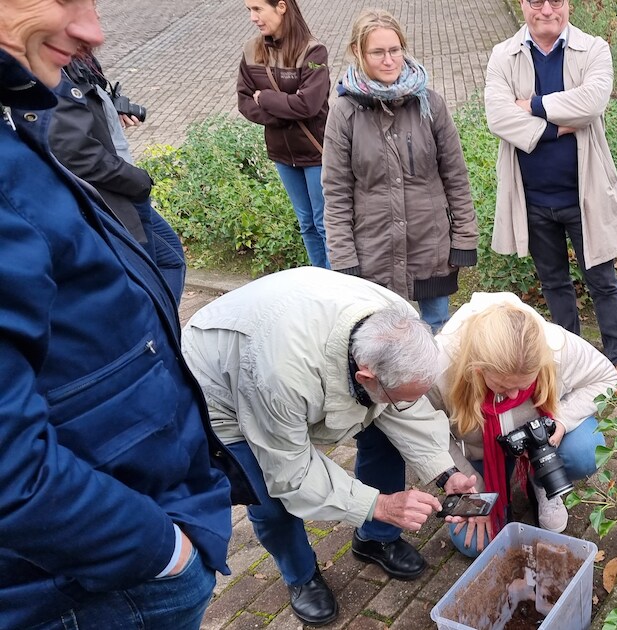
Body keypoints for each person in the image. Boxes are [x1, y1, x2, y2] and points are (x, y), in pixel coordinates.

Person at [0, 2, 252, 628]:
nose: (94, 31)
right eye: (61, 0)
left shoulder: (17, 120)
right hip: (96, 581)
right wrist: (164, 553)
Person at [180, 267, 478, 626]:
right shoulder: (280, 375)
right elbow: (291, 471)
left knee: (384, 437)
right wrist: (378, 503)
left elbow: (408, 403)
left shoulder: (400, 323)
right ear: (366, 377)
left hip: (302, 341)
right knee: (268, 496)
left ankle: (373, 539)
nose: (400, 404)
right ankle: (301, 575)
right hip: (224, 389)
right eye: (394, 397)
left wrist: (445, 472)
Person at [484, 0, 617, 376]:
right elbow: (498, 116)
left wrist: (531, 105)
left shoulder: (594, 49)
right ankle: (574, 360)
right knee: (554, 283)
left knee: (603, 281)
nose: (547, 9)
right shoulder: (503, 55)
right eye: (537, 1)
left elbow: (592, 101)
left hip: (584, 195)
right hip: (532, 199)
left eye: (557, 0)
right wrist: (558, 125)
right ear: (523, 5)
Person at [426, 292, 616, 557]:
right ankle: (497, 480)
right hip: (483, 449)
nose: (514, 397)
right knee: (474, 545)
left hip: (539, 440)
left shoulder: (555, 346)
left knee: (587, 449)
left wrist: (561, 419)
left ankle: (539, 482)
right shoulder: (439, 367)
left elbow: (607, 377)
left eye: (525, 384)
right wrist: (469, 484)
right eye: (504, 386)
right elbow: (426, 431)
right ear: (479, 370)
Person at [324, 9, 478, 333]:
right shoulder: (344, 113)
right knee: (383, 343)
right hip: (374, 254)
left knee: (436, 331)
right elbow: (336, 194)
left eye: (394, 50)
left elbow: (456, 177)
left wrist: (464, 238)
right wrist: (343, 259)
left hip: (430, 247)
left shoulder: (430, 104)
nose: (389, 60)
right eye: (377, 52)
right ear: (358, 52)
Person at [51, 49, 187, 304]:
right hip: (111, 196)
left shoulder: (79, 61)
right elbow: (75, 152)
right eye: (88, 8)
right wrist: (138, 181)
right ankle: (154, 335)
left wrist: (113, 105)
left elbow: (83, 109)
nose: (97, 17)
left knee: (170, 260)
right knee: (143, 286)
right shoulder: (51, 69)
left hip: (123, 187)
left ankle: (163, 332)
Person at [237, 0, 331, 269]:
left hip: (316, 152)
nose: (253, 17)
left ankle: (337, 289)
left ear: (281, 6)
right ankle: (319, 280)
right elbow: (244, 101)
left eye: (257, 9)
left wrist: (265, 97)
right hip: (282, 153)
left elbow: (309, 105)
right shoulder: (251, 50)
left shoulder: (314, 51)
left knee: (324, 223)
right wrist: (283, 111)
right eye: (249, 10)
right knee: (306, 224)